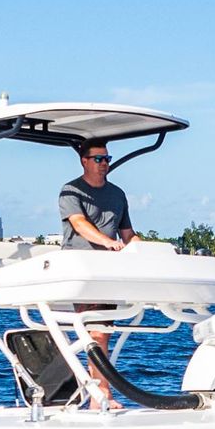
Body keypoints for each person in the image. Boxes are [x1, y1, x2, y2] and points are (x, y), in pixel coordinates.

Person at [58, 140, 137, 408]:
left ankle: (99, 395)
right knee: (96, 333)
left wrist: (146, 252)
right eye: (99, 159)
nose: (105, 164)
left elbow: (128, 234)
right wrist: (107, 242)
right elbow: (79, 224)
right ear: (84, 161)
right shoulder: (71, 191)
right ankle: (101, 395)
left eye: (107, 159)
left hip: (109, 270)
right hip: (81, 269)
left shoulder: (117, 194)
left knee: (103, 332)